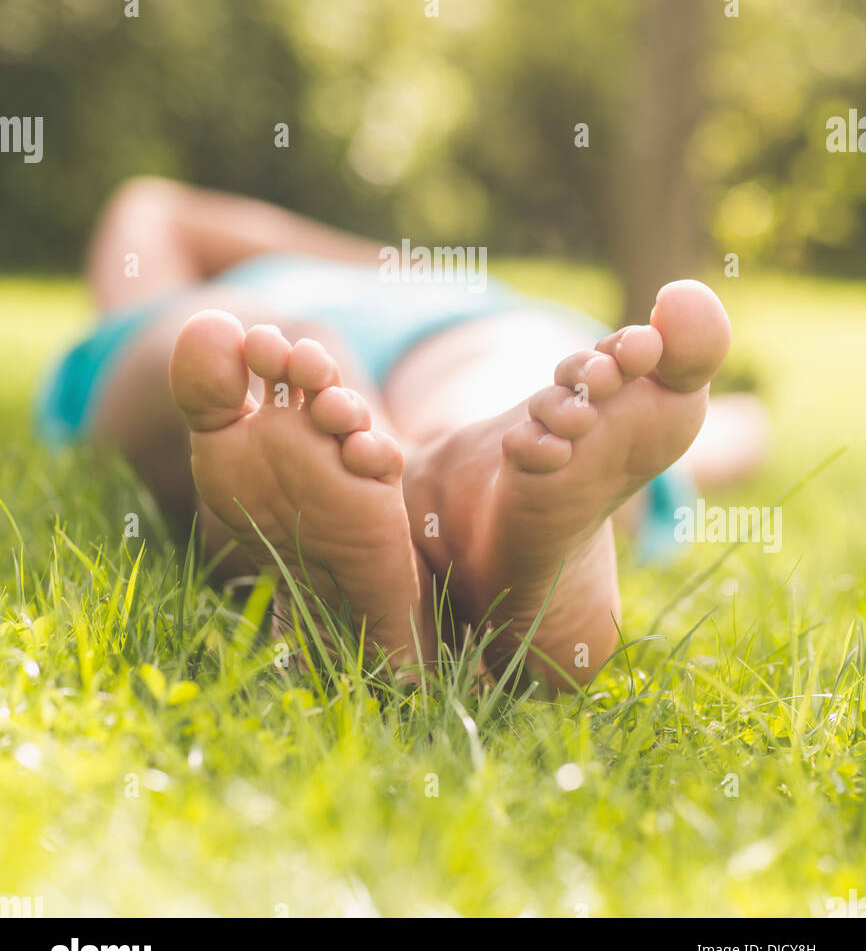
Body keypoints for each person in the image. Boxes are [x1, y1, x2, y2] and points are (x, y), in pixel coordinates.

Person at [36, 177, 766, 688]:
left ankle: (421, 494)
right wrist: (740, 430)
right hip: (470, 321)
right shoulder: (442, 283)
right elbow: (156, 210)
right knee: (517, 382)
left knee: (246, 354)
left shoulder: (265, 276)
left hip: (336, 314)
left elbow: (152, 208)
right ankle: (455, 485)